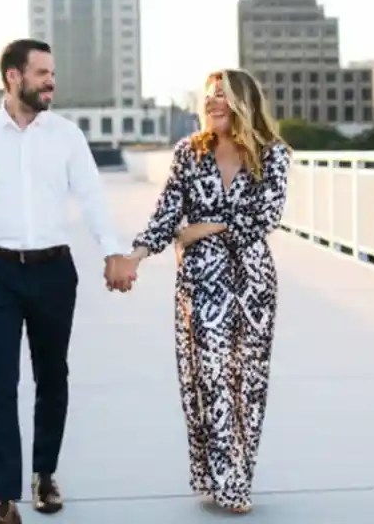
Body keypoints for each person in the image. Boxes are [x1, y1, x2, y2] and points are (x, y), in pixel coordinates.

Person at [0, 38, 138, 524]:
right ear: (13, 77)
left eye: (53, 73)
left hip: (53, 270)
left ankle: (44, 475)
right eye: (42, 72)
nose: (52, 81)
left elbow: (91, 196)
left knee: (52, 376)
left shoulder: (66, 136)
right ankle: (4, 499)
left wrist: (113, 251)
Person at [123, 68, 291, 514]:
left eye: (223, 96)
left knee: (248, 384)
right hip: (201, 284)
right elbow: (166, 217)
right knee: (211, 377)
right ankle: (228, 483)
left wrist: (201, 227)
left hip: (254, 284)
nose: (213, 103)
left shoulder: (273, 155)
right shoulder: (188, 153)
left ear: (245, 102)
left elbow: (266, 217)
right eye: (209, 96)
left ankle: (233, 474)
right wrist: (135, 256)